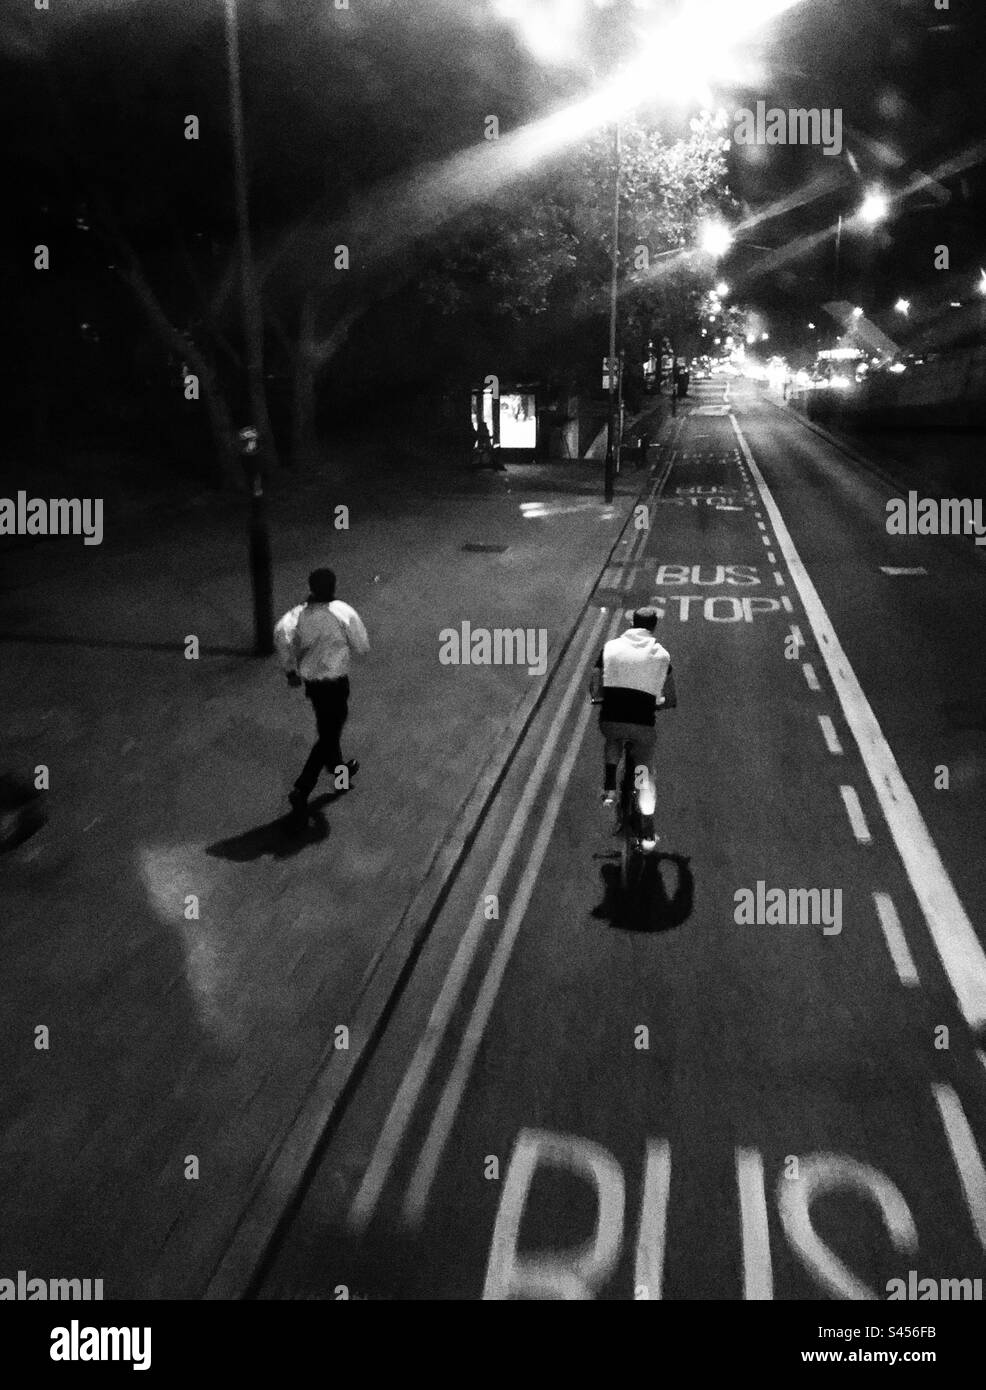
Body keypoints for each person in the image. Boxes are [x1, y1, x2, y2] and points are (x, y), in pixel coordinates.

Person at [274, 568, 369, 819]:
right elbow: (362, 645)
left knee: (328, 728)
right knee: (329, 733)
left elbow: (281, 635)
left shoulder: (296, 615)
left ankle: (340, 774)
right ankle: (302, 788)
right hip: (337, 683)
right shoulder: (342, 612)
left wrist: (290, 671)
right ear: (333, 585)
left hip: (314, 686)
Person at [589, 607, 676, 851]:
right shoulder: (662, 656)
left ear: (631, 623)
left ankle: (609, 788)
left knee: (613, 740)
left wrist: (598, 696)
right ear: (653, 626)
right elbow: (670, 697)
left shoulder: (610, 647)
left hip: (611, 720)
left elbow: (595, 679)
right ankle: (647, 826)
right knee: (643, 770)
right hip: (642, 725)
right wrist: (659, 703)